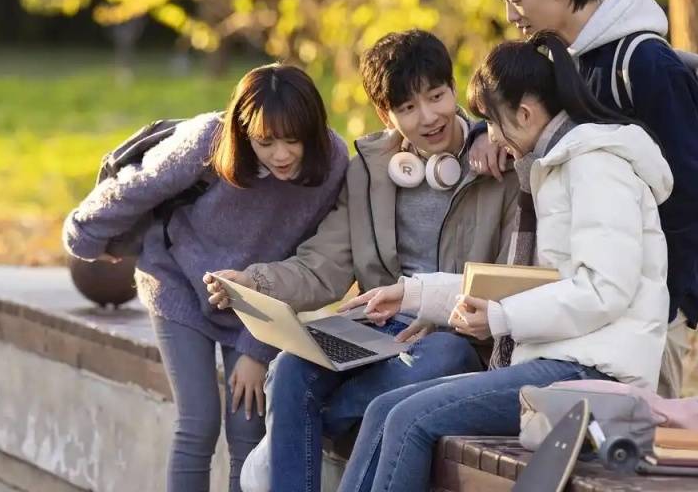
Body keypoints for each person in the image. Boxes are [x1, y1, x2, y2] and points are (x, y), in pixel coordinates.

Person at [337, 31, 672, 492]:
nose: (489, 138)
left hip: (591, 371)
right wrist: (412, 294)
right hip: (556, 361)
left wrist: (502, 317)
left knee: (409, 418)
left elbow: (603, 290)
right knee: (385, 409)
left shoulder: (596, 168)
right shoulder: (552, 168)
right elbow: (530, 283)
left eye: (491, 124)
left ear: (526, 114)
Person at [204, 29, 520, 492]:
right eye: (407, 107)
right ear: (385, 115)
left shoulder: (497, 166)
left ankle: (297, 429)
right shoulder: (369, 172)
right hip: (374, 326)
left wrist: (492, 133)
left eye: (436, 97)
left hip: (451, 336)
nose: (428, 117)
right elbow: (322, 266)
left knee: (444, 357)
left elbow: (508, 279)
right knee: (289, 369)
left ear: (454, 90)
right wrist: (254, 282)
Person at [62, 64, 349, 492]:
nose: (282, 155)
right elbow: (139, 184)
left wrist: (256, 349)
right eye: (266, 142)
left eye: (294, 140)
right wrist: (84, 235)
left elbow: (303, 263)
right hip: (177, 280)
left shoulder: (332, 163)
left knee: (248, 426)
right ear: (244, 132)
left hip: (254, 301)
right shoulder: (208, 140)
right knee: (198, 421)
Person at [474, 0, 698, 397]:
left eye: (515, 0)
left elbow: (688, 193)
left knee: (641, 437)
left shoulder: (645, 64)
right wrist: (488, 130)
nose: (510, 16)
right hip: (584, 306)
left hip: (649, 306)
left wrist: (670, 304)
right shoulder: (563, 58)